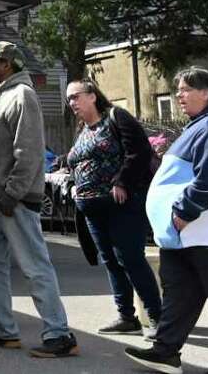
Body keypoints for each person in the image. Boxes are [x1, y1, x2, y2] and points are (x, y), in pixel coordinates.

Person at [128, 67, 208, 374]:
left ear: (206, 92)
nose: (178, 95)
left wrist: (184, 210)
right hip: (185, 233)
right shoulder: (201, 126)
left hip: (206, 230)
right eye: (178, 89)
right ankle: (166, 350)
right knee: (180, 293)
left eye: (184, 89)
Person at [0, 40, 77, 358]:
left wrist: (11, 194)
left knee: (35, 267)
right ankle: (3, 329)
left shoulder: (22, 95)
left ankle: (59, 335)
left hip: (11, 202)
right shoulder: (0, 94)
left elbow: (28, 154)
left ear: (10, 64)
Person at [62, 80, 160, 337]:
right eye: (69, 99)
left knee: (130, 259)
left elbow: (138, 151)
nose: (72, 103)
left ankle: (156, 318)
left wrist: (123, 181)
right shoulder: (83, 129)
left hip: (121, 204)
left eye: (76, 96)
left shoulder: (116, 117)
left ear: (93, 96)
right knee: (111, 261)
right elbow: (76, 163)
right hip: (91, 209)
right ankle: (126, 316)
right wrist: (74, 185)